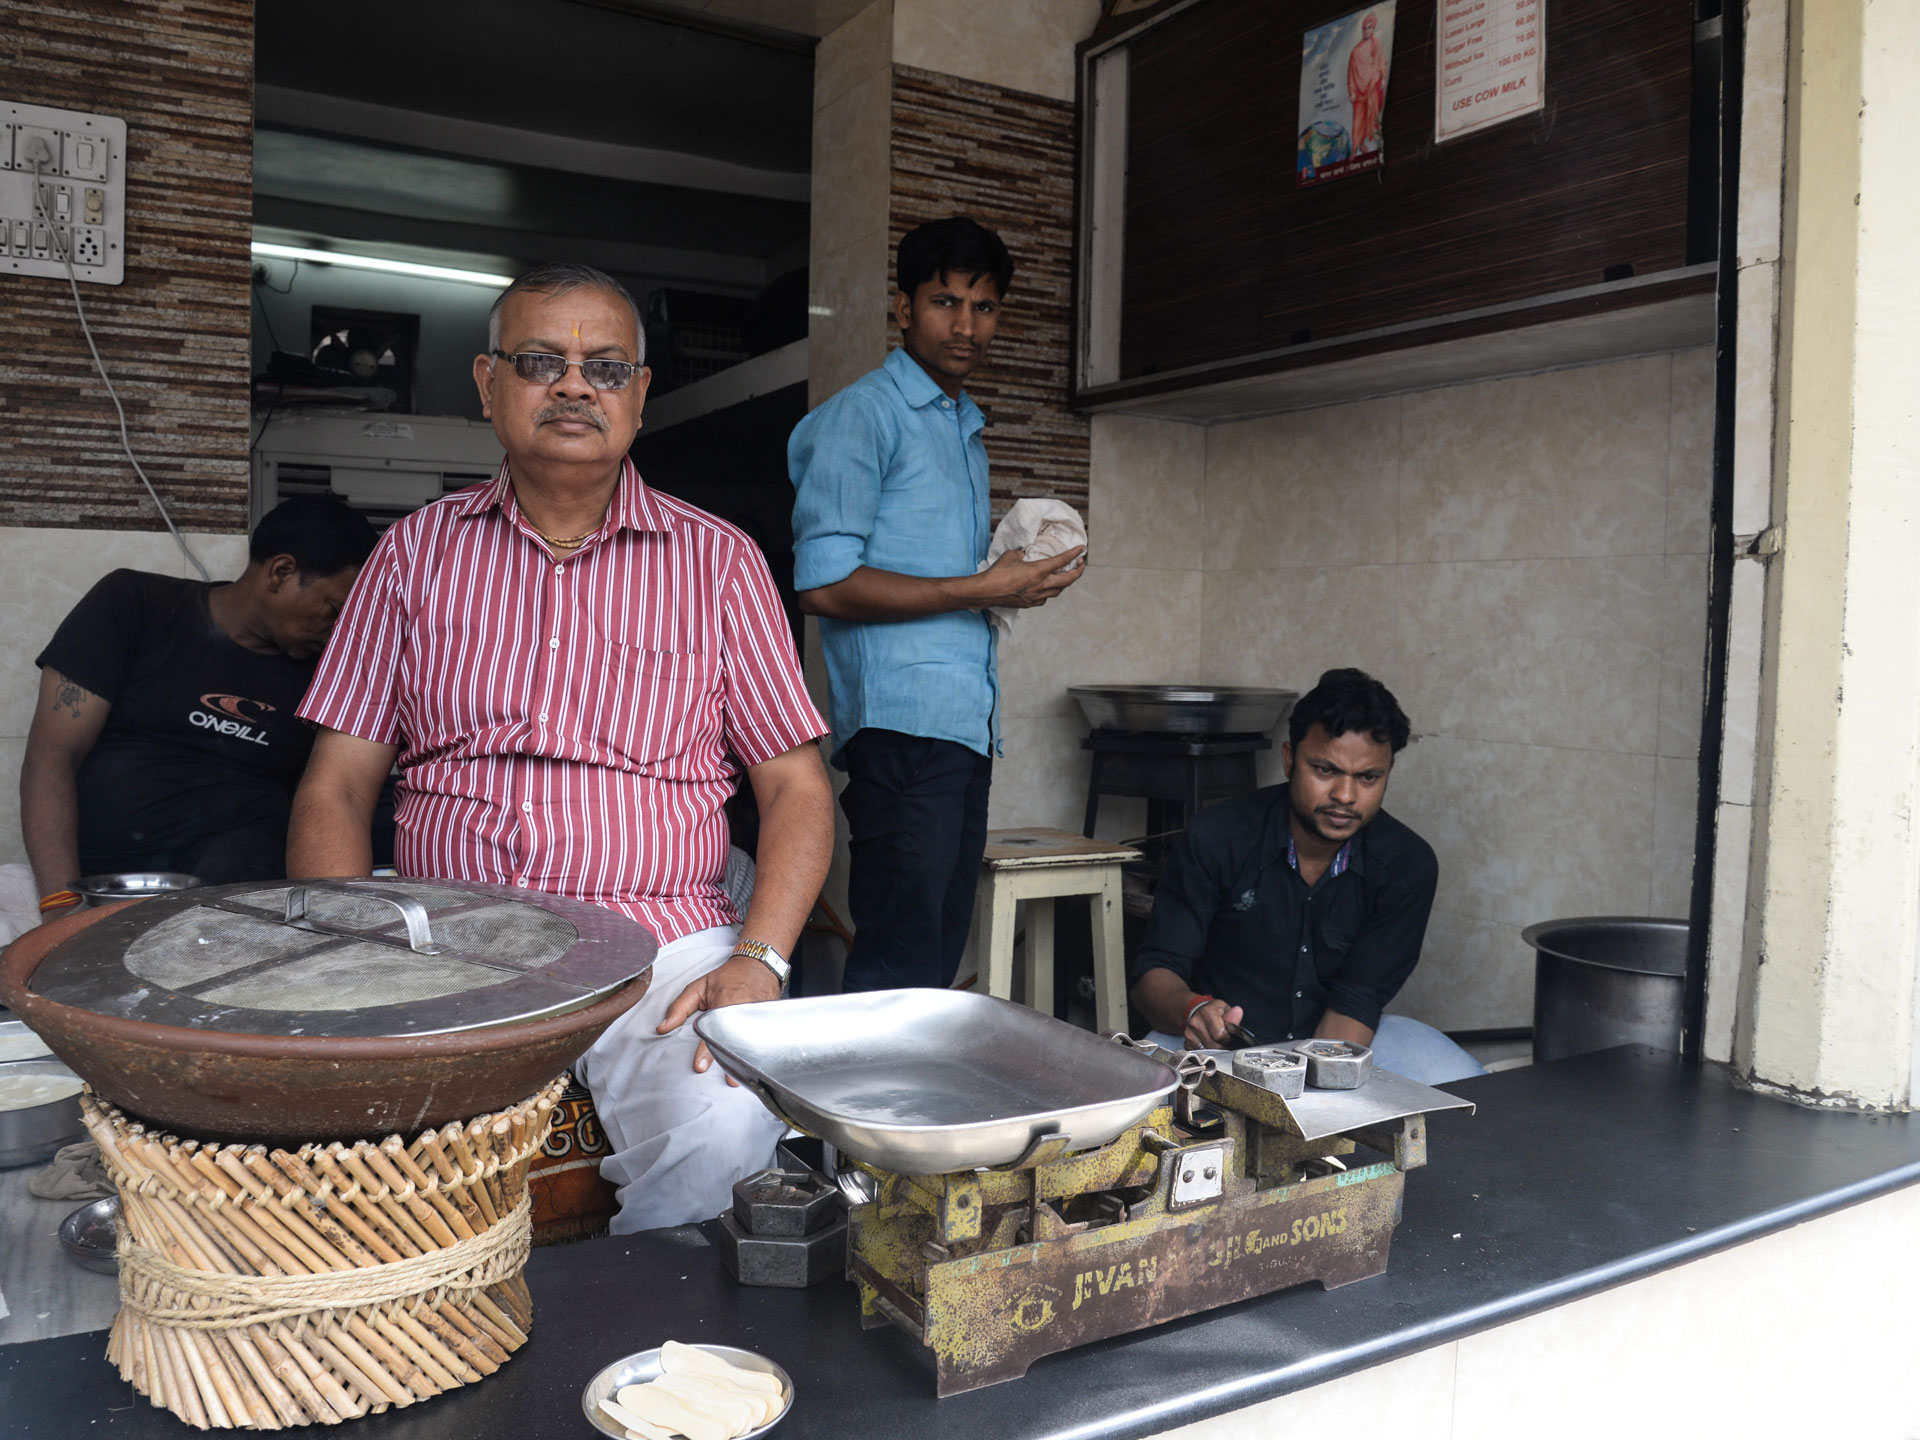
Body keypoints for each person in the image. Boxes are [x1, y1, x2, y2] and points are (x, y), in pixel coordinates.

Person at [288, 261, 835, 1232]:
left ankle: (646, 1366)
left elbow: (795, 786)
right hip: (450, 939)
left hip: (663, 942)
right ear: (488, 383)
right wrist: (355, 953)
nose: (575, 385)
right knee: (369, 1162)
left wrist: (762, 959)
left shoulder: (721, 562)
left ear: (641, 394)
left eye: (606, 366)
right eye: (541, 361)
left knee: (725, 1125)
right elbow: (335, 784)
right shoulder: (414, 555)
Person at [790, 216, 1084, 992]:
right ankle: (852, 1115)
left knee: (932, 956)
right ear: (904, 308)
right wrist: (984, 588)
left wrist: (1019, 581)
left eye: (983, 307)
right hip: (900, 734)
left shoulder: (961, 426)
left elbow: (948, 580)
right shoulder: (866, 415)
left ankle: (905, 1112)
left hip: (960, 730)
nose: (964, 325)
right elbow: (823, 584)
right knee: (897, 962)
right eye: (944, 301)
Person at [20, 497, 376, 918]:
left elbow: (332, 797)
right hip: (111, 884)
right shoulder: (134, 605)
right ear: (281, 572)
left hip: (236, 899)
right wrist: (61, 903)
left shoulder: (329, 673)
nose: (338, 630)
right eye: (333, 610)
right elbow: (51, 757)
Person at [1129, 668, 1483, 1085]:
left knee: (1467, 1086)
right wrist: (1193, 1010)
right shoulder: (1219, 836)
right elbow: (1155, 973)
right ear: (1289, 759)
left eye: (1368, 777)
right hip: (1213, 1047)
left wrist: (1309, 1091)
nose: (1345, 796)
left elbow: (1357, 1001)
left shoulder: (1408, 864)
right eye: (1326, 770)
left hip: (1337, 1042)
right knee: (1145, 1103)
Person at [1347, 11, 1388, 154]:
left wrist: (1382, 78)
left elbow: (1381, 62)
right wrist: (1352, 91)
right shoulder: (1355, 52)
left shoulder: (1376, 44)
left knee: (1374, 116)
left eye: (1369, 28)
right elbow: (1351, 75)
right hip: (1359, 91)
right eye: (1364, 28)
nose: (1366, 31)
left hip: (1373, 87)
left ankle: (1378, 145)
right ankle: (1357, 146)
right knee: (1359, 120)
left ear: (1373, 29)